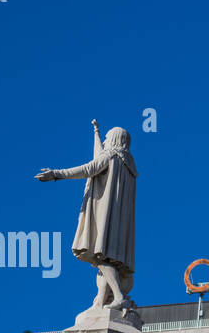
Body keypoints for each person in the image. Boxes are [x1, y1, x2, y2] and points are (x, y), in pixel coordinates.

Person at [36, 120, 137, 308]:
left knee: (102, 257)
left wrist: (56, 174)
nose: (105, 142)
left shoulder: (111, 156)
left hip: (105, 215)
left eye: (107, 138)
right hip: (118, 222)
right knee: (106, 261)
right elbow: (96, 158)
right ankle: (102, 299)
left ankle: (118, 297)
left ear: (114, 140)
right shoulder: (129, 165)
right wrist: (96, 133)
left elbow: (88, 169)